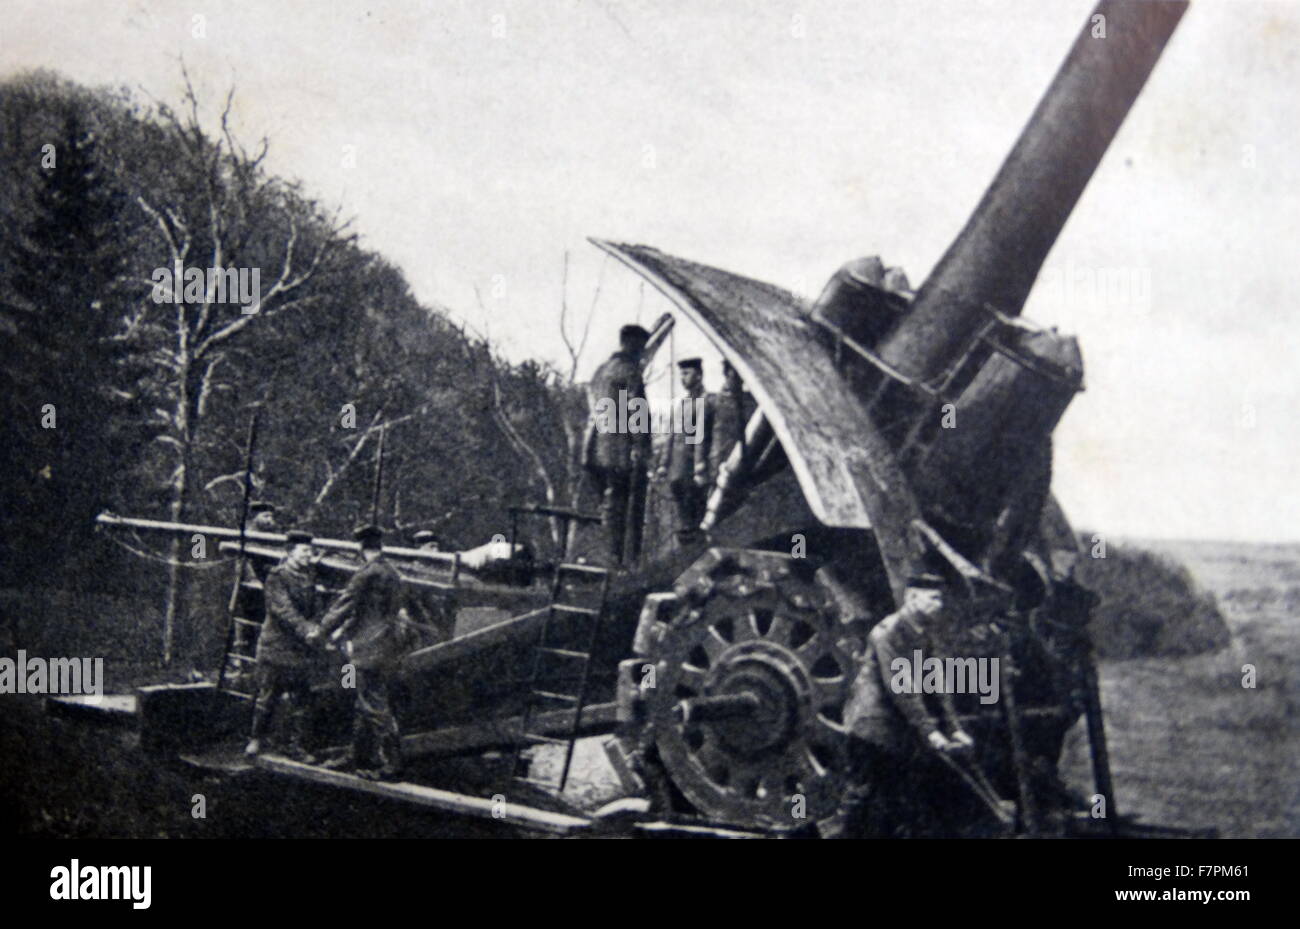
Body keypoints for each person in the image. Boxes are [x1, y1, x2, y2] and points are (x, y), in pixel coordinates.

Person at [826, 572, 976, 838]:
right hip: (870, 727)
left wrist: (954, 728)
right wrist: (930, 731)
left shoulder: (922, 633)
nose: (938, 605)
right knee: (862, 796)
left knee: (896, 801)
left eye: (940, 599)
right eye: (932, 599)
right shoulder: (888, 632)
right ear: (912, 597)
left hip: (895, 729)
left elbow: (935, 684)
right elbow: (901, 687)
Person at [311, 524, 405, 781]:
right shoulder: (392, 572)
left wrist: (320, 630)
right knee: (365, 700)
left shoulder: (366, 574)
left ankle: (393, 762)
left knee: (372, 704)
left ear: (360, 547)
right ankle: (360, 756)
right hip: (386, 647)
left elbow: (345, 604)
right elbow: (376, 612)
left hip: (366, 649)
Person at [245, 530, 321, 761]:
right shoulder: (277, 576)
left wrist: (319, 626)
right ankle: (256, 739)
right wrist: (308, 629)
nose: (309, 555)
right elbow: (282, 610)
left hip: (299, 649)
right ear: (289, 552)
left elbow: (316, 607)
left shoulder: (310, 576)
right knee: (268, 696)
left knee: (302, 700)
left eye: (310, 551)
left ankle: (296, 747)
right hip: (276, 646)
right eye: (304, 551)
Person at [582, 324, 651, 565]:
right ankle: (618, 561)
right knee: (622, 507)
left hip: (595, 449)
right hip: (619, 449)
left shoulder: (600, 371)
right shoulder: (629, 371)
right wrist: (641, 446)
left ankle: (607, 557)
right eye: (642, 348)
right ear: (634, 345)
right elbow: (636, 409)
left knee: (607, 506)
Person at [657, 357, 710, 537]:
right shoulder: (682, 404)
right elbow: (671, 435)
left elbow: (700, 437)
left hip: (690, 467)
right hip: (676, 468)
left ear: (699, 376)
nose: (683, 378)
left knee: (692, 511)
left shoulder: (704, 402)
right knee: (680, 512)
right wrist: (664, 463)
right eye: (681, 374)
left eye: (687, 373)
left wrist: (698, 466)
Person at [705, 360, 756, 486]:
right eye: (734, 376)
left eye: (741, 377)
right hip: (718, 459)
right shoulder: (713, 402)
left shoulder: (751, 401)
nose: (738, 380)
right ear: (726, 375)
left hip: (742, 460)